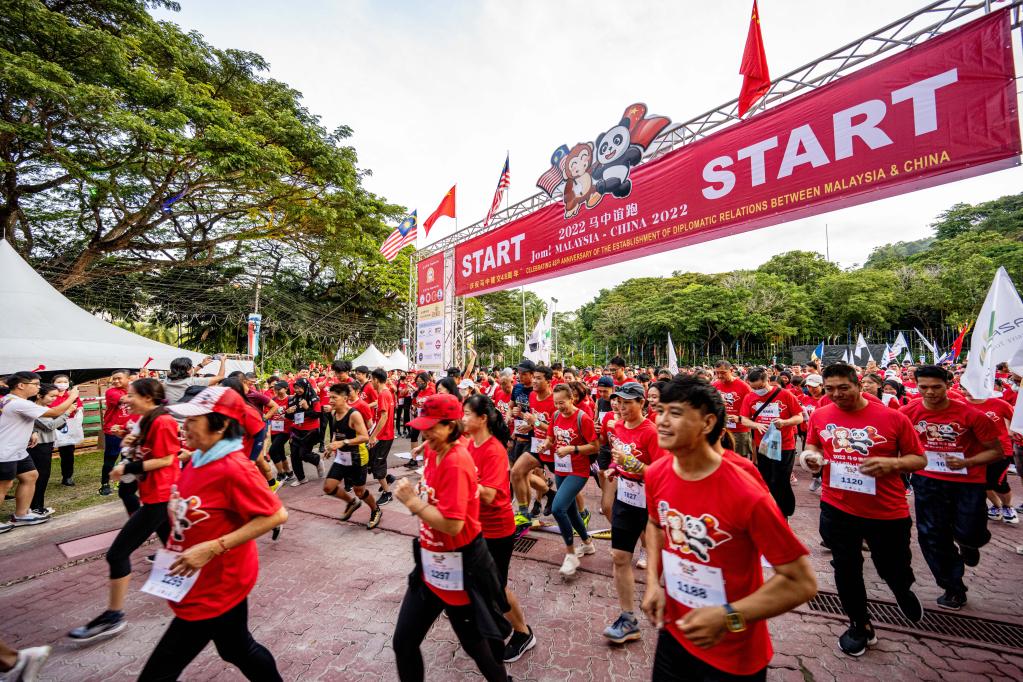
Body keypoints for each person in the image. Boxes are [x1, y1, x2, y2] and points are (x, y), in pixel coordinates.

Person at [642, 377, 817, 681]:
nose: (662, 422)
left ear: (708, 422)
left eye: (676, 413)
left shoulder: (745, 492)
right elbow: (656, 525)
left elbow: (800, 582)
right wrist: (654, 584)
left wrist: (728, 617)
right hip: (674, 633)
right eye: (660, 411)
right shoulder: (657, 472)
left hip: (733, 655)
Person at [134, 386, 287, 681]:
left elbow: (276, 514)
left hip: (218, 583)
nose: (185, 426)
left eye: (194, 420)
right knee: (236, 649)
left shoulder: (235, 468)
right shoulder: (197, 458)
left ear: (221, 425)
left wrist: (212, 547)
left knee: (159, 670)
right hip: (195, 578)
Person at [801, 364, 926, 656]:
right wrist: (811, 458)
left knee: (891, 566)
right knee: (846, 567)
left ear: (859, 385)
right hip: (837, 505)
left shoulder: (892, 417)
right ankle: (860, 625)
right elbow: (813, 445)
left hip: (886, 510)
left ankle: (901, 588)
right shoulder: (821, 415)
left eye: (843, 387)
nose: (835, 394)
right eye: (829, 388)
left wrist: (892, 464)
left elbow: (918, 459)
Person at [391, 393, 511, 681]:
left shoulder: (457, 461)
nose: (425, 433)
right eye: (424, 426)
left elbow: (454, 525)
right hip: (429, 566)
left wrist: (413, 503)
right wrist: (420, 495)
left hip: (461, 568)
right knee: (403, 642)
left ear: (451, 425)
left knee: (475, 647)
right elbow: (432, 493)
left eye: (432, 427)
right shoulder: (434, 450)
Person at [68, 379, 179, 641]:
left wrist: (126, 469)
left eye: (131, 395)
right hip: (154, 493)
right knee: (173, 545)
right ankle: (195, 585)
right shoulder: (148, 420)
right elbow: (147, 451)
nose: (126, 400)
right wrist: (129, 439)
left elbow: (167, 459)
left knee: (116, 555)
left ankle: (113, 616)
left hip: (159, 497)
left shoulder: (163, 421)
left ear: (149, 397)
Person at [900, 365, 1002, 610]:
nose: (930, 392)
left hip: (967, 482)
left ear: (948, 384)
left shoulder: (971, 415)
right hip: (927, 481)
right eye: (923, 387)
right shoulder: (907, 413)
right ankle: (952, 587)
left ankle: (969, 544)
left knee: (971, 532)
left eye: (936, 387)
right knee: (932, 535)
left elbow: (996, 451)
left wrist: (967, 462)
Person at [462, 394, 537, 663]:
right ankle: (482, 621)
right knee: (478, 582)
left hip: (497, 531)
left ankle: (522, 633)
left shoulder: (493, 450)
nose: (463, 418)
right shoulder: (469, 444)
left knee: (497, 587)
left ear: (482, 419)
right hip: (476, 526)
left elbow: (491, 495)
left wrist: (462, 479)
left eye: (468, 414)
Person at [603, 381, 664, 644]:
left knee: (662, 563)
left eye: (629, 402)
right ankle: (628, 617)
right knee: (619, 557)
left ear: (642, 403)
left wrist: (634, 465)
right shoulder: (616, 427)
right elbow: (621, 458)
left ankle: (673, 612)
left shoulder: (652, 432)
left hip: (650, 501)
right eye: (619, 401)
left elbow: (662, 473)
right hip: (626, 498)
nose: (622, 406)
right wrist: (616, 469)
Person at [0, 372, 79, 531]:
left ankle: (21, 515)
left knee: (30, 475)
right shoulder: (17, 403)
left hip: (18, 449)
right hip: (5, 450)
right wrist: (72, 397)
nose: (38, 387)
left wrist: (31, 433)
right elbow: (55, 413)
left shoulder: (12, 400)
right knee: (4, 485)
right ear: (21, 385)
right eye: (35, 384)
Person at [545, 384, 599, 577]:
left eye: (562, 402)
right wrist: (545, 444)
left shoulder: (582, 418)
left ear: (572, 399)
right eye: (556, 403)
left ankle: (570, 554)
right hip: (561, 469)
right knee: (570, 510)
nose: (559, 406)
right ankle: (587, 544)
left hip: (578, 471)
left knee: (557, 508)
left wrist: (573, 449)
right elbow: (551, 438)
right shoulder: (556, 416)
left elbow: (595, 446)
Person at [739, 368, 803, 518]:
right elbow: (744, 419)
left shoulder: (785, 394)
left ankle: (784, 512)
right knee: (767, 478)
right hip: (763, 445)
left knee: (780, 479)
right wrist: (756, 425)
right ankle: (773, 508)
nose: (757, 391)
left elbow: (799, 417)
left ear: (767, 380)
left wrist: (785, 422)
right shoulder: (749, 397)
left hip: (785, 445)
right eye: (753, 388)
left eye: (760, 387)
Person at [321, 383, 382, 529]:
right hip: (341, 457)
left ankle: (376, 510)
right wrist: (332, 445)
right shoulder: (334, 413)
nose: (330, 401)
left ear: (345, 398)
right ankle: (351, 502)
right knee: (328, 487)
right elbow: (337, 433)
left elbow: (365, 437)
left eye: (334, 398)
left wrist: (343, 442)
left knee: (359, 491)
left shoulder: (354, 414)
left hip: (357, 456)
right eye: (330, 397)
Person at [26, 384, 67, 517]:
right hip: (38, 446)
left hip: (46, 444)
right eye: (51, 396)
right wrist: (66, 413)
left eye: (56, 396)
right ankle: (35, 507)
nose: (54, 399)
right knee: (40, 476)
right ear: (39, 395)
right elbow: (48, 426)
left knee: (43, 476)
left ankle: (38, 506)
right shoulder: (35, 409)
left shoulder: (44, 408)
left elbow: (55, 425)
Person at [100, 370, 133, 496]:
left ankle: (121, 481)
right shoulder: (111, 392)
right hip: (113, 430)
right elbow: (125, 399)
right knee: (111, 457)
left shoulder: (133, 389)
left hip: (129, 429)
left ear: (128, 378)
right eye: (114, 379)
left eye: (119, 378)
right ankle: (104, 483)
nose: (116, 381)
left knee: (126, 457)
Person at [712, 361, 753, 460]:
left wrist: (739, 418)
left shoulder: (744, 387)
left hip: (739, 430)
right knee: (721, 459)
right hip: (721, 430)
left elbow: (753, 409)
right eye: (717, 373)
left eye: (723, 372)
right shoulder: (714, 386)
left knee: (739, 461)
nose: (719, 376)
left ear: (731, 370)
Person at [287, 378, 324, 486]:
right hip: (296, 430)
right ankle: (301, 478)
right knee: (294, 455)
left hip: (310, 431)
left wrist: (307, 407)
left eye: (299, 388)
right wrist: (288, 412)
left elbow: (318, 414)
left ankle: (317, 460)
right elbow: (289, 416)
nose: (297, 390)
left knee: (303, 454)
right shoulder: (294, 399)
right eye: (295, 388)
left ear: (305, 387)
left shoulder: (314, 398)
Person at [368, 368, 396, 504]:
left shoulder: (383, 394)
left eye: (371, 379)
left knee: (377, 466)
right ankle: (388, 478)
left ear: (376, 380)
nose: (370, 382)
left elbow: (384, 416)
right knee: (375, 462)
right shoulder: (386, 393)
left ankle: (387, 493)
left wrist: (374, 436)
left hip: (384, 436)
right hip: (385, 435)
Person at [51, 374, 84, 486]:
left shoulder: (72, 395)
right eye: (59, 381)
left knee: (68, 453)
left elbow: (78, 409)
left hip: (68, 426)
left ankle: (67, 476)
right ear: (53, 383)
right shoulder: (50, 395)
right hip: (51, 425)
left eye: (65, 381)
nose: (63, 384)